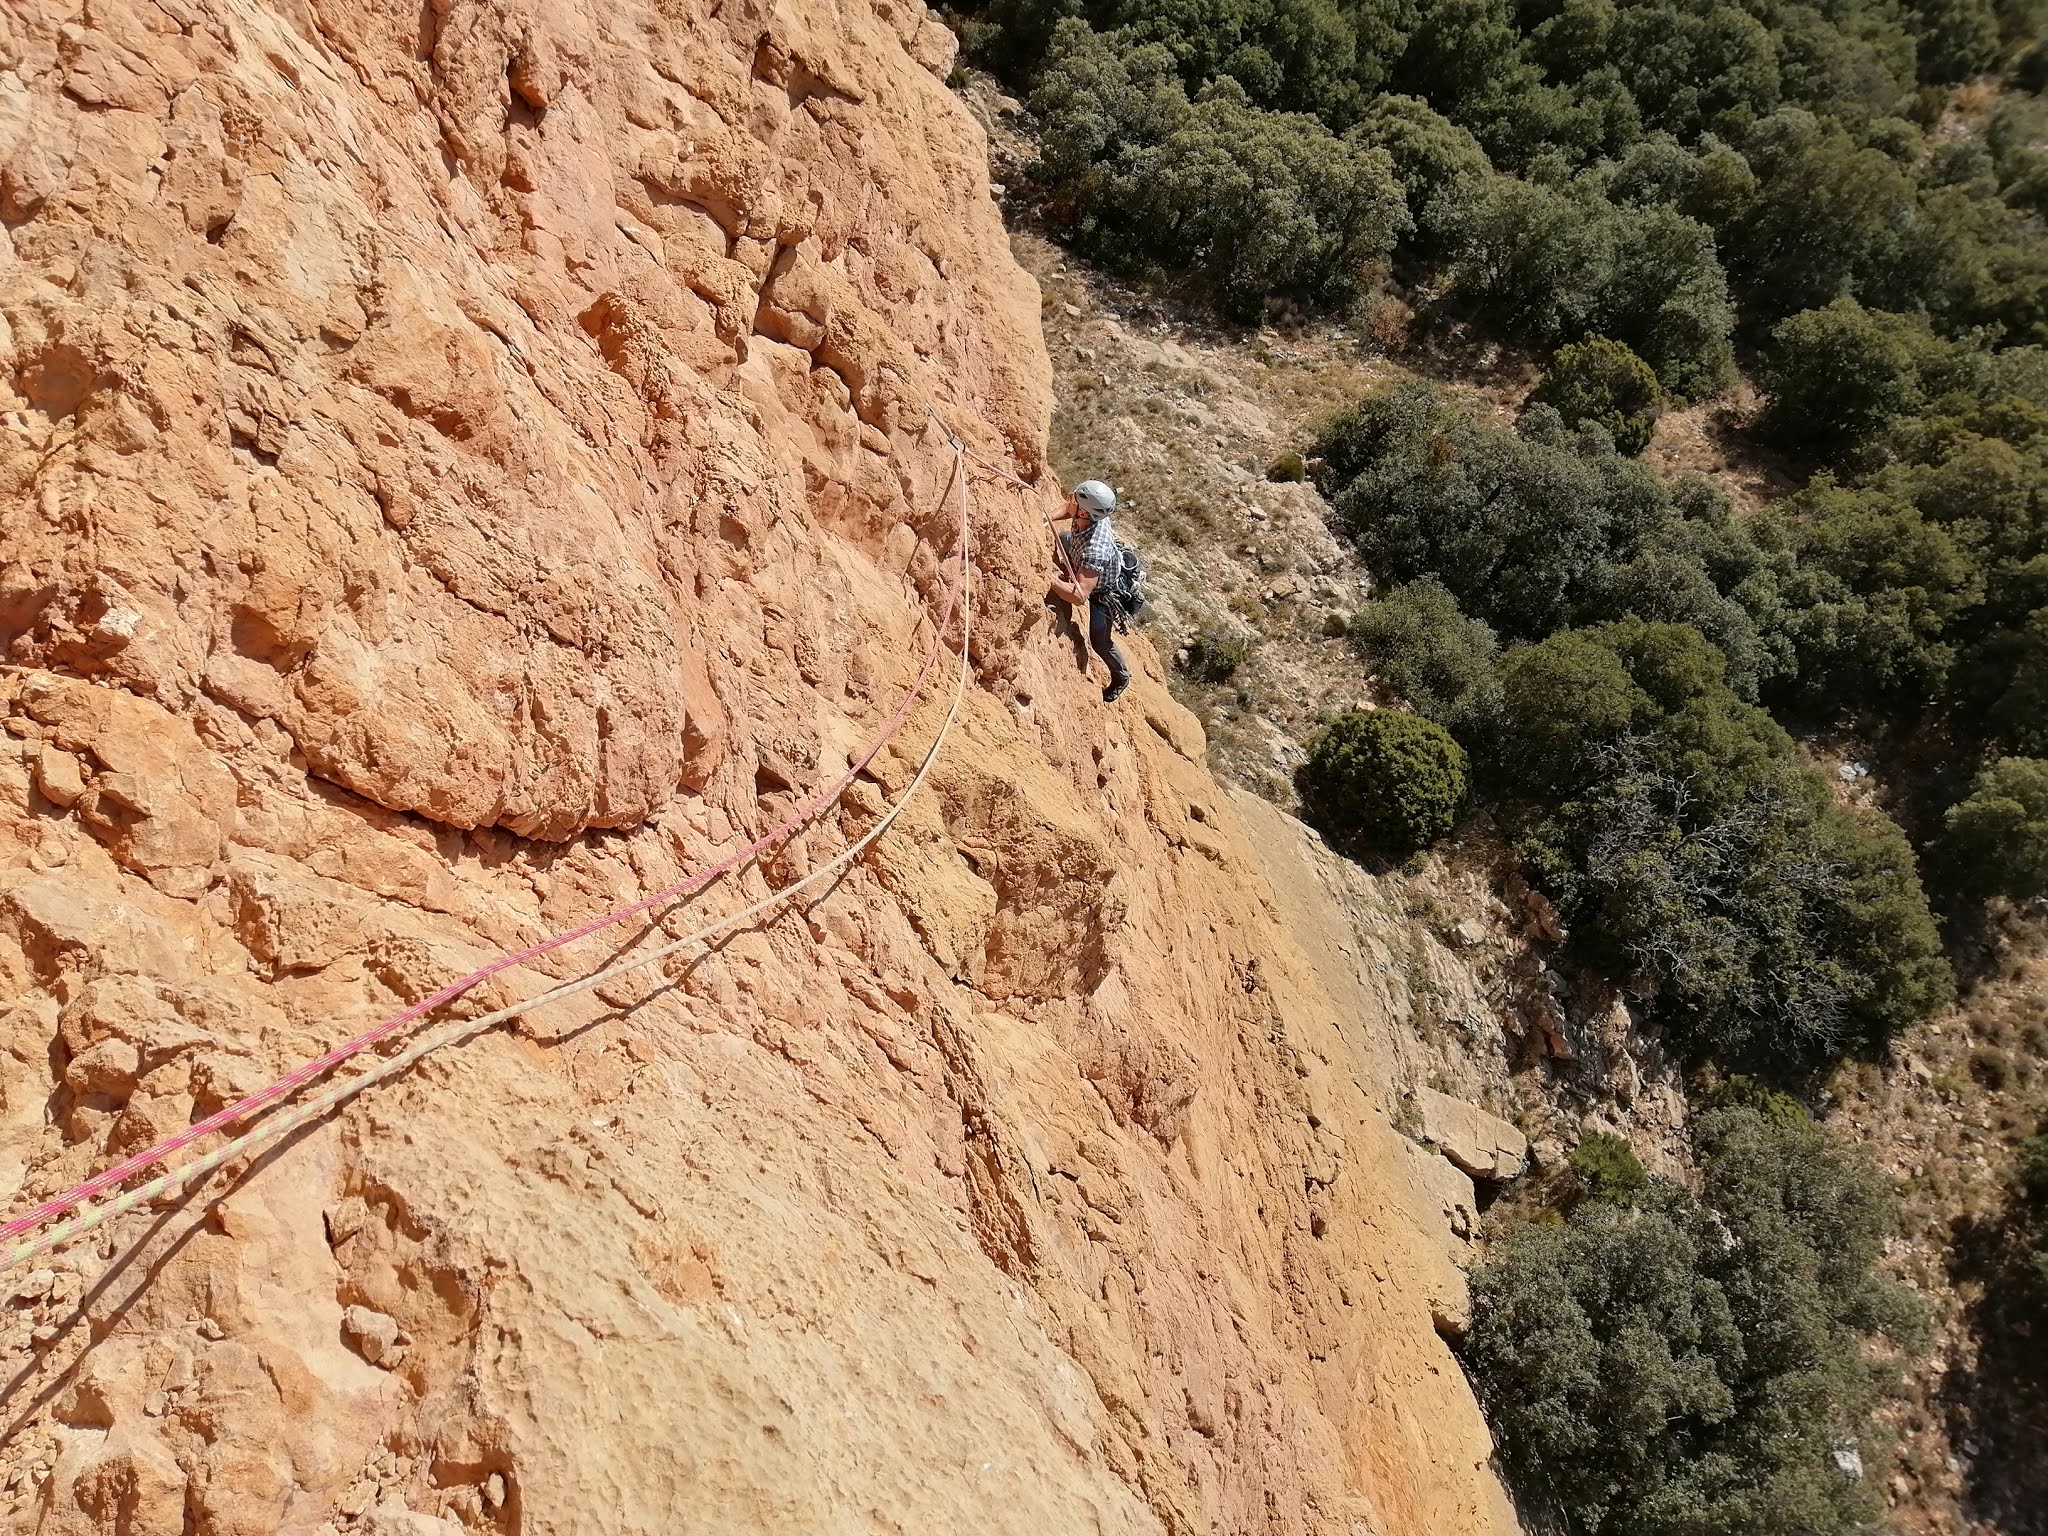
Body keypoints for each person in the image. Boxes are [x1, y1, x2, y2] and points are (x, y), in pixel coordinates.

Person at [1048, 479, 1133, 703]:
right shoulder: (1089, 514)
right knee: (1065, 538)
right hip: (1078, 551)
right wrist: (1045, 519)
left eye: (1075, 499)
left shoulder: (1096, 550)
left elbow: (1079, 596)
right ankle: (1070, 571)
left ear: (1085, 514)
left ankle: (1121, 676)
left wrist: (1047, 579)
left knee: (1100, 641)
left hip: (1102, 594)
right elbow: (1068, 509)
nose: (1070, 497)